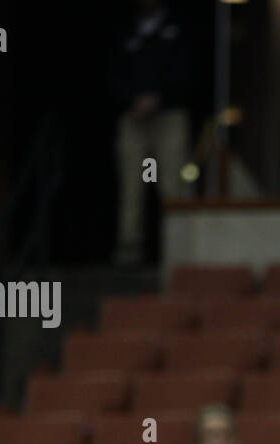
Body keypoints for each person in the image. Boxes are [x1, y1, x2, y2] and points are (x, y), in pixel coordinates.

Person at [113, 0, 193, 267]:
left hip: (169, 116)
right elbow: (112, 74)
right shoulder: (126, 32)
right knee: (131, 185)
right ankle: (129, 251)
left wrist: (160, 97)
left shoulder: (179, 29)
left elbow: (189, 71)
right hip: (133, 118)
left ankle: (180, 253)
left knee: (173, 185)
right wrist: (129, 100)